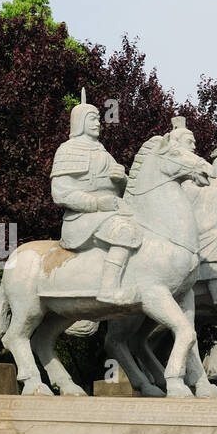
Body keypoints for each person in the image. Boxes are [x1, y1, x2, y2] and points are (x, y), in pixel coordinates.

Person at [50, 96, 141, 304]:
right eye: (92, 118)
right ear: (80, 121)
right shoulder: (68, 150)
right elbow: (60, 192)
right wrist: (96, 204)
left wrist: (123, 179)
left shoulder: (103, 152)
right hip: (82, 219)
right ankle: (109, 290)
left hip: (114, 212)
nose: (98, 123)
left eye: (99, 119)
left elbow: (120, 188)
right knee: (124, 233)